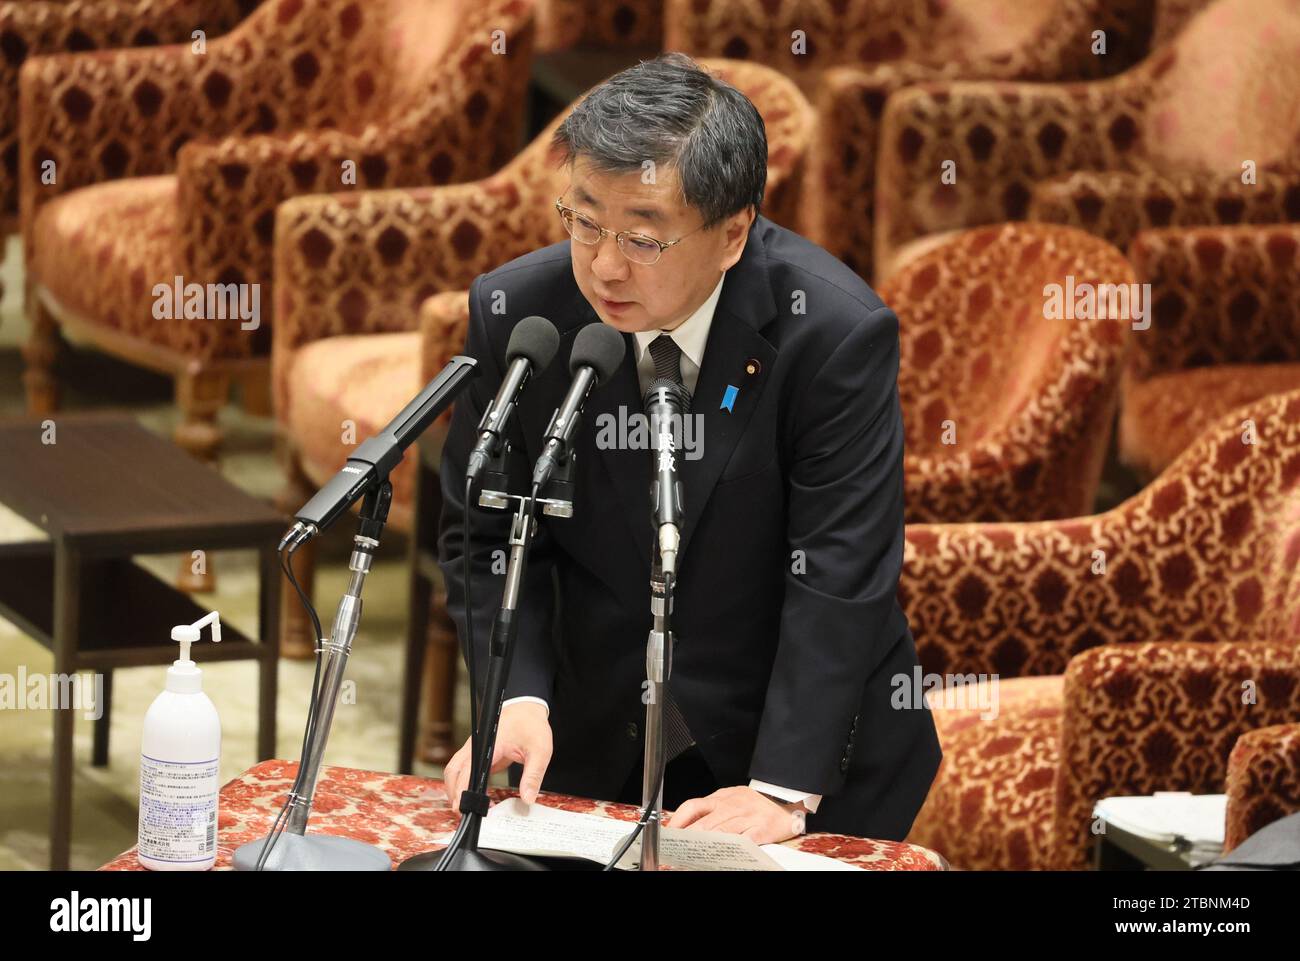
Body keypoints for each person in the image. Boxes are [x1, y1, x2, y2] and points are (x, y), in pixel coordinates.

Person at [438, 53, 940, 844]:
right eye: (585, 220)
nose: (603, 266)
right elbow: (490, 533)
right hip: (589, 739)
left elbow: (841, 564)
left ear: (733, 232)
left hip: (792, 751)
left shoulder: (833, 335)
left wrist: (782, 787)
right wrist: (518, 695)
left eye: (642, 239)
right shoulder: (522, 315)